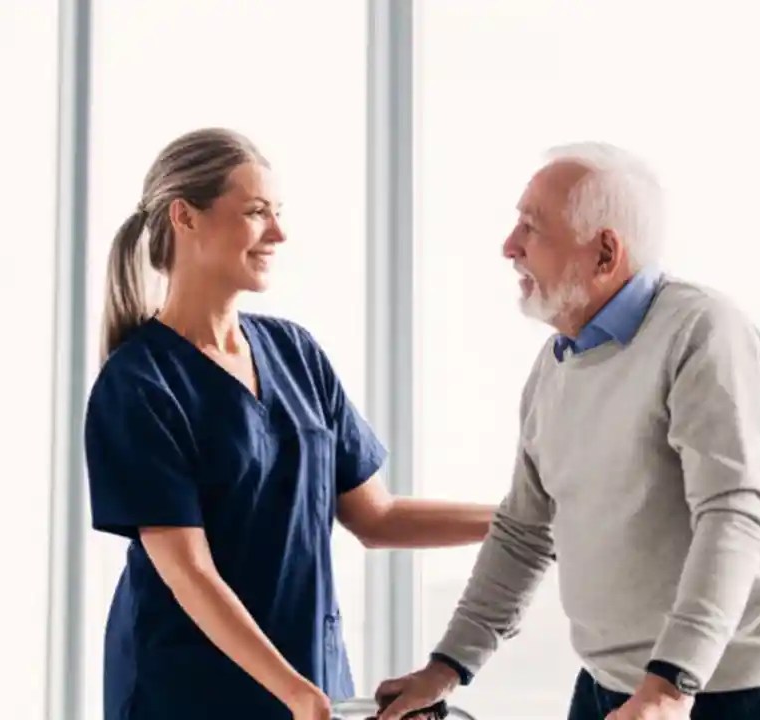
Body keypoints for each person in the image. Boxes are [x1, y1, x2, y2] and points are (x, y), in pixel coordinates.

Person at [375, 143, 760, 720]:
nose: (509, 247)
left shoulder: (704, 334)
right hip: (613, 681)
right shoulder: (555, 364)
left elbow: (733, 514)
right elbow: (523, 532)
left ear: (605, 250)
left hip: (721, 688)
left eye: (532, 227)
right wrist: (446, 667)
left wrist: (671, 685)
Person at [83, 127, 496, 720]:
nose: (278, 233)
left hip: (312, 681)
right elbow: (188, 571)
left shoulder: (295, 352)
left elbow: (376, 517)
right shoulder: (139, 383)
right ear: (185, 217)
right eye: (256, 213)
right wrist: (293, 692)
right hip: (192, 693)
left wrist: (526, 525)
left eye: (277, 213)